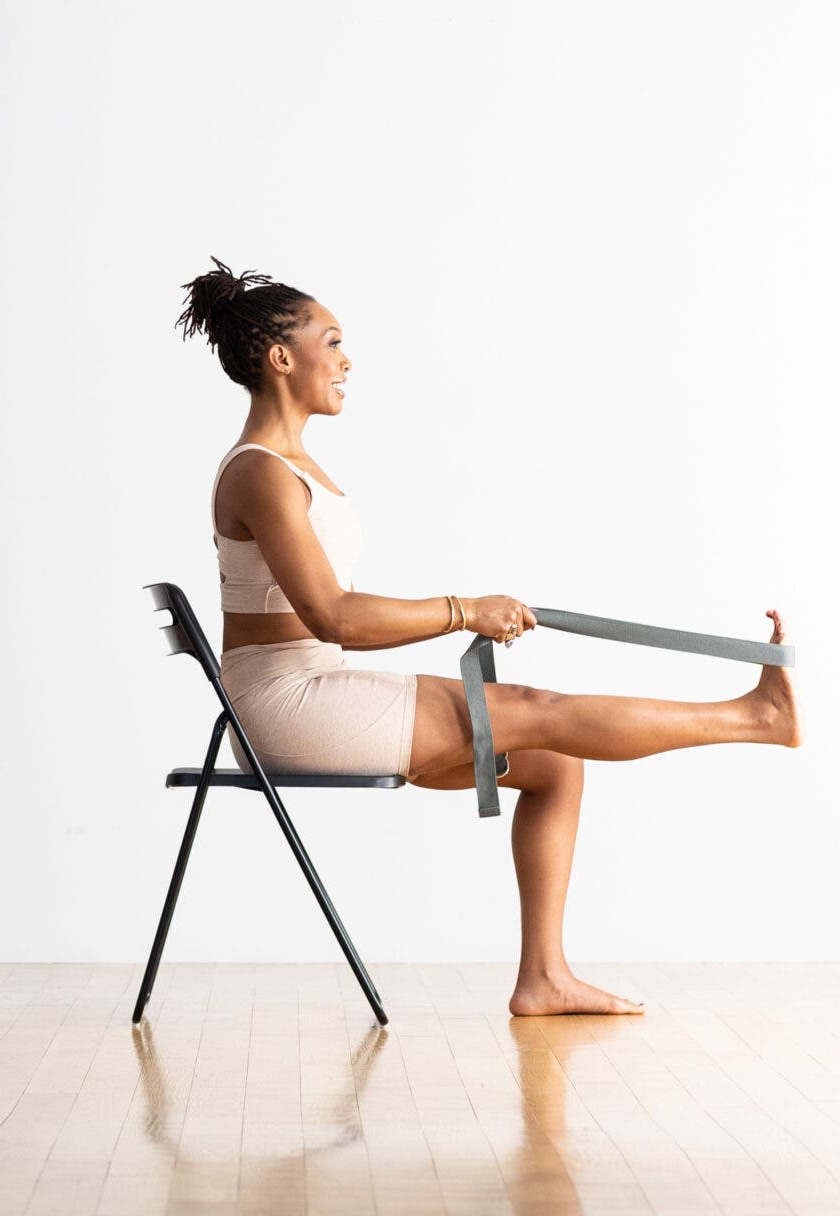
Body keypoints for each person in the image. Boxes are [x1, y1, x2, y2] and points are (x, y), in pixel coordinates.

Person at [174, 259, 802, 1017]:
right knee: (541, 710)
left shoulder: (288, 466)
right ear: (281, 358)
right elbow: (335, 618)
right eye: (331, 343)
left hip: (311, 688)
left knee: (553, 763)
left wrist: (468, 611)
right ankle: (754, 718)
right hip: (287, 706)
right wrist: (466, 610)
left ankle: (544, 978)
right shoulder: (261, 473)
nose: (346, 361)